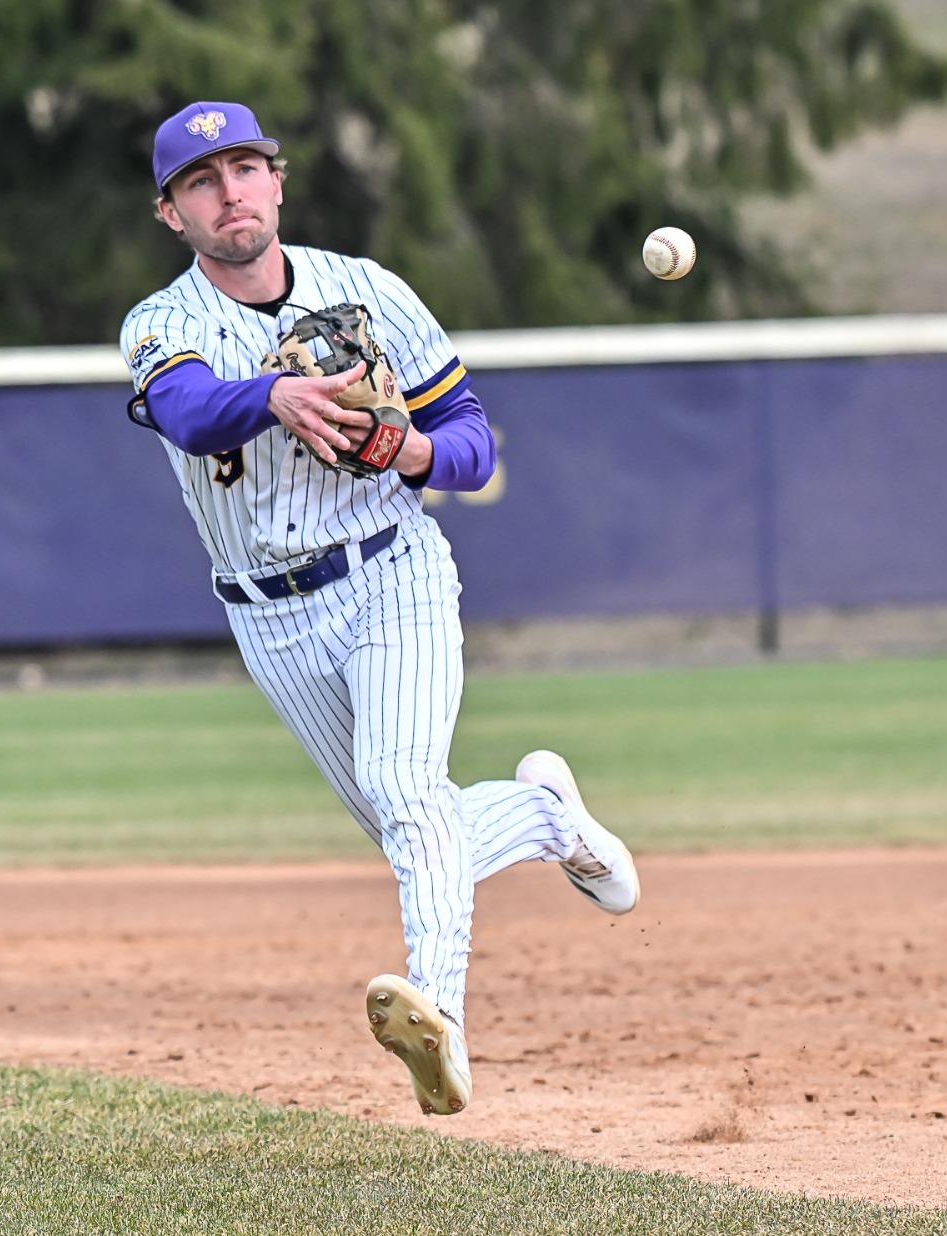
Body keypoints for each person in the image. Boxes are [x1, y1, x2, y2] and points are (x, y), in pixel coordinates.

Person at [117, 101, 640, 1116]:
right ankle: (544, 816)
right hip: (266, 613)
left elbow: (471, 441)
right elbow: (184, 411)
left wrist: (409, 452)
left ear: (275, 180)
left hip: (389, 569)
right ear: (170, 213)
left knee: (406, 796)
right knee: (410, 831)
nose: (228, 193)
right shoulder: (163, 322)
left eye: (243, 170)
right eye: (200, 181)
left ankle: (435, 1023)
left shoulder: (366, 290)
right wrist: (271, 397)